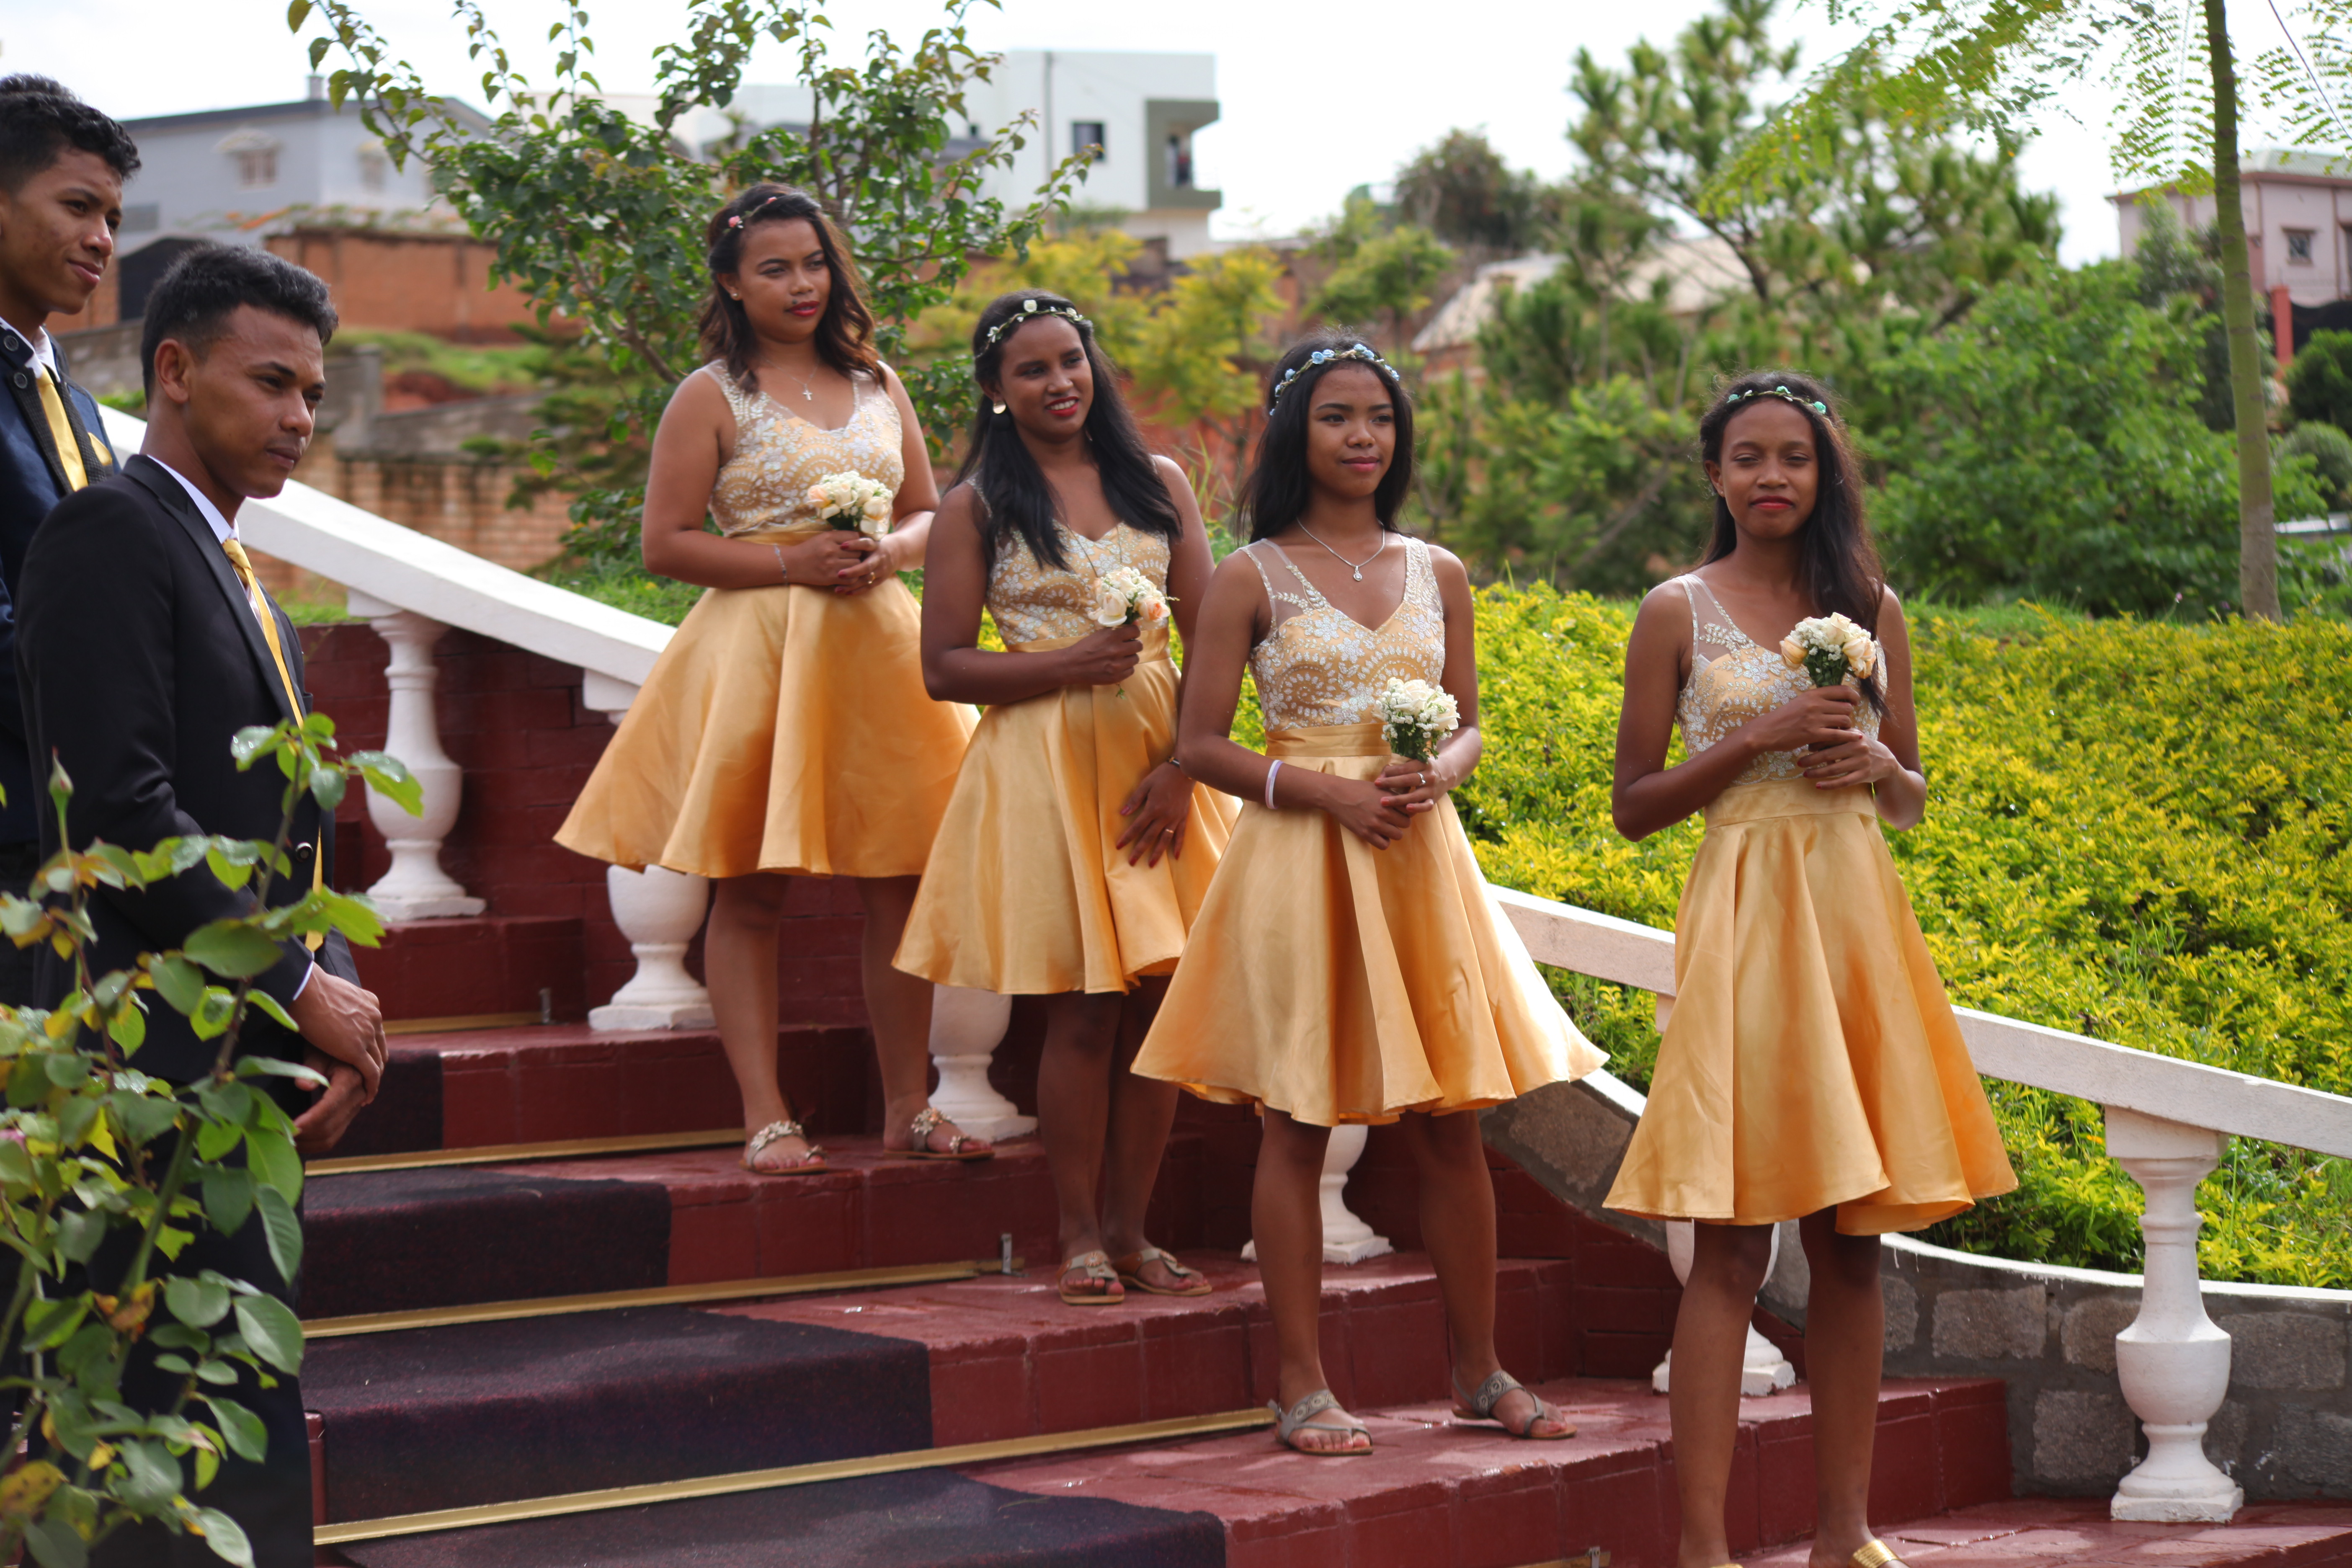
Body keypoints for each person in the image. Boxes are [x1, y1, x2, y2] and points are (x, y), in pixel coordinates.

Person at [1131, 333, 1605, 1452]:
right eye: (1339, 417)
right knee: (1297, 1123)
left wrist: (1442, 768)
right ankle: (1301, 1386)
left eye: (1380, 419)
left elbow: (1472, 716)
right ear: (1296, 432)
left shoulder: (1438, 569)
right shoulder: (1250, 575)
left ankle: (1479, 1373)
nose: (1362, 438)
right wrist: (1324, 795)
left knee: (1454, 1125)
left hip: (1419, 859)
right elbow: (1200, 743)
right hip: (1302, 858)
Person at [1602, 372, 2017, 1568]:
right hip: (1741, 917)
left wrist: (1877, 762)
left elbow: (1916, 800)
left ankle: (1848, 1534)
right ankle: (1704, 1549)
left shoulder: (1871, 604)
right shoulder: (1675, 609)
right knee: (1731, 1244)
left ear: (1826, 472)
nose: (1772, 475)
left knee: (1852, 1241)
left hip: (1851, 917)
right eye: (1749, 457)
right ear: (1715, 475)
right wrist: (1759, 739)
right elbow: (1634, 808)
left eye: (1795, 456)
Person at [18, 244, 390, 1566]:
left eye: (314, 393)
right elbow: (126, 810)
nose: (299, 416)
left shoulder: (223, 554)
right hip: (139, 1063)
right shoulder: (113, 529)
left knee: (235, 1401)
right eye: (271, 383)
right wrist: (300, 989)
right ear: (174, 372)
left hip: (235, 1058)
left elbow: (264, 835)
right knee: (152, 1417)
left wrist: (311, 1017)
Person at [557, 184, 986, 1173]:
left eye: (814, 263)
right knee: (750, 892)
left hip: (879, 647)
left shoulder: (879, 381)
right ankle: (766, 1116)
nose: (802, 285)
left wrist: (890, 553)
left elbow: (932, 511)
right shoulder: (709, 395)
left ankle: (908, 1107)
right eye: (775, 269)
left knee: (902, 882)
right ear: (730, 284)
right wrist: (793, 561)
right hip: (759, 652)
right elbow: (665, 544)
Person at [895, 290, 1230, 1305]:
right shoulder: (977, 507)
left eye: (1072, 361)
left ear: (1097, 368)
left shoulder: (1160, 482)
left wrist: (1185, 768)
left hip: (1161, 771)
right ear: (997, 392)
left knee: (1165, 1007)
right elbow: (944, 667)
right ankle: (1079, 1235)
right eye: (1032, 370)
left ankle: (1134, 1233)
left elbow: (1216, 640)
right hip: (1043, 772)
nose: (1059, 382)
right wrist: (1066, 662)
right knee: (1083, 1011)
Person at [0, 76, 136, 1003]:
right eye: (78, 206)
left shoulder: (80, 410)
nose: (102, 241)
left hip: (89, 828)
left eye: (114, 218)